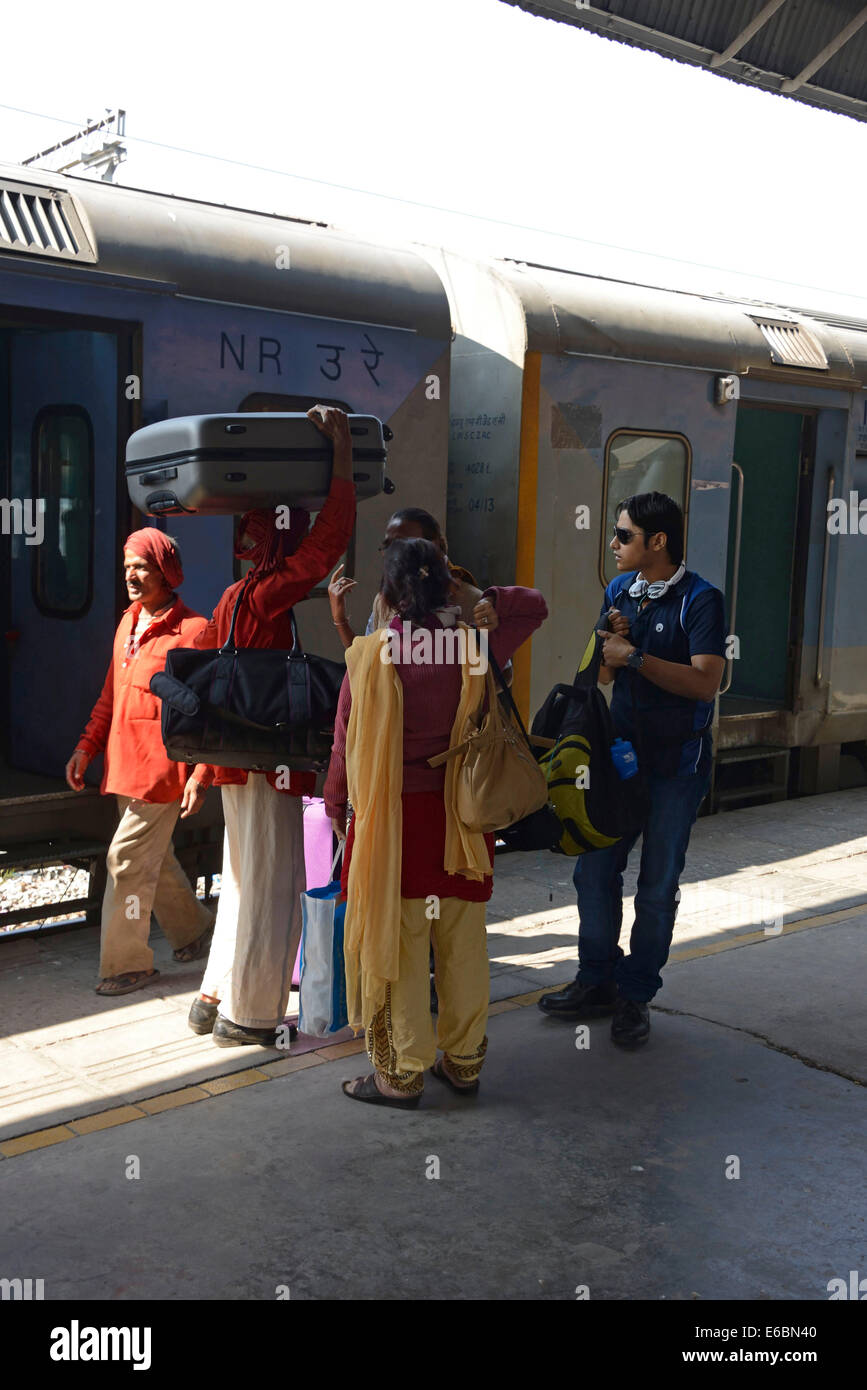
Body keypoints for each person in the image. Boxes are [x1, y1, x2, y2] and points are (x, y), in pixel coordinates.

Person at [325, 536, 547, 1109]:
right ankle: (465, 1064)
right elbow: (535, 606)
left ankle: (400, 1074)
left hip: (396, 832)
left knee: (400, 949)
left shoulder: (371, 656)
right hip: (466, 823)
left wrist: (333, 806)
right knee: (463, 946)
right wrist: (483, 597)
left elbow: (344, 751)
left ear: (388, 593)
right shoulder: (476, 647)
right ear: (445, 585)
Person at [188, 405, 356, 1048]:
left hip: (237, 761)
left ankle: (213, 997)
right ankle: (251, 1015)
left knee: (243, 878)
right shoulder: (266, 593)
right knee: (274, 884)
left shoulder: (234, 596)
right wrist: (340, 454)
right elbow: (329, 541)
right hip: (265, 762)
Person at [538, 492, 726, 1048]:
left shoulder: (701, 600)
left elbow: (704, 682)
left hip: (675, 765)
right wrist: (607, 640)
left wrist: (636, 657)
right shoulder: (620, 590)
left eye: (623, 536)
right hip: (615, 758)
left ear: (657, 542)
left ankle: (636, 994)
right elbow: (599, 674)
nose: (614, 544)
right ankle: (596, 980)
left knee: (657, 884)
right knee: (594, 871)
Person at [66, 532, 215, 996]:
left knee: (126, 860)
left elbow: (207, 712)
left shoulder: (194, 631)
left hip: (162, 771)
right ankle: (195, 932)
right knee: (157, 859)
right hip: (123, 766)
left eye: (142, 567)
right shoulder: (127, 624)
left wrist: (201, 773)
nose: (131, 575)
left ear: (166, 573)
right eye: (127, 565)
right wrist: (87, 746)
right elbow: (111, 695)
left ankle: (127, 963)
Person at [327, 506, 487, 646]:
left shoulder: (472, 602)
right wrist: (339, 618)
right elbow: (366, 667)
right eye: (388, 546)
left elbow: (495, 674)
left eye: (404, 544)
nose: (394, 554)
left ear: (435, 545)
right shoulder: (385, 601)